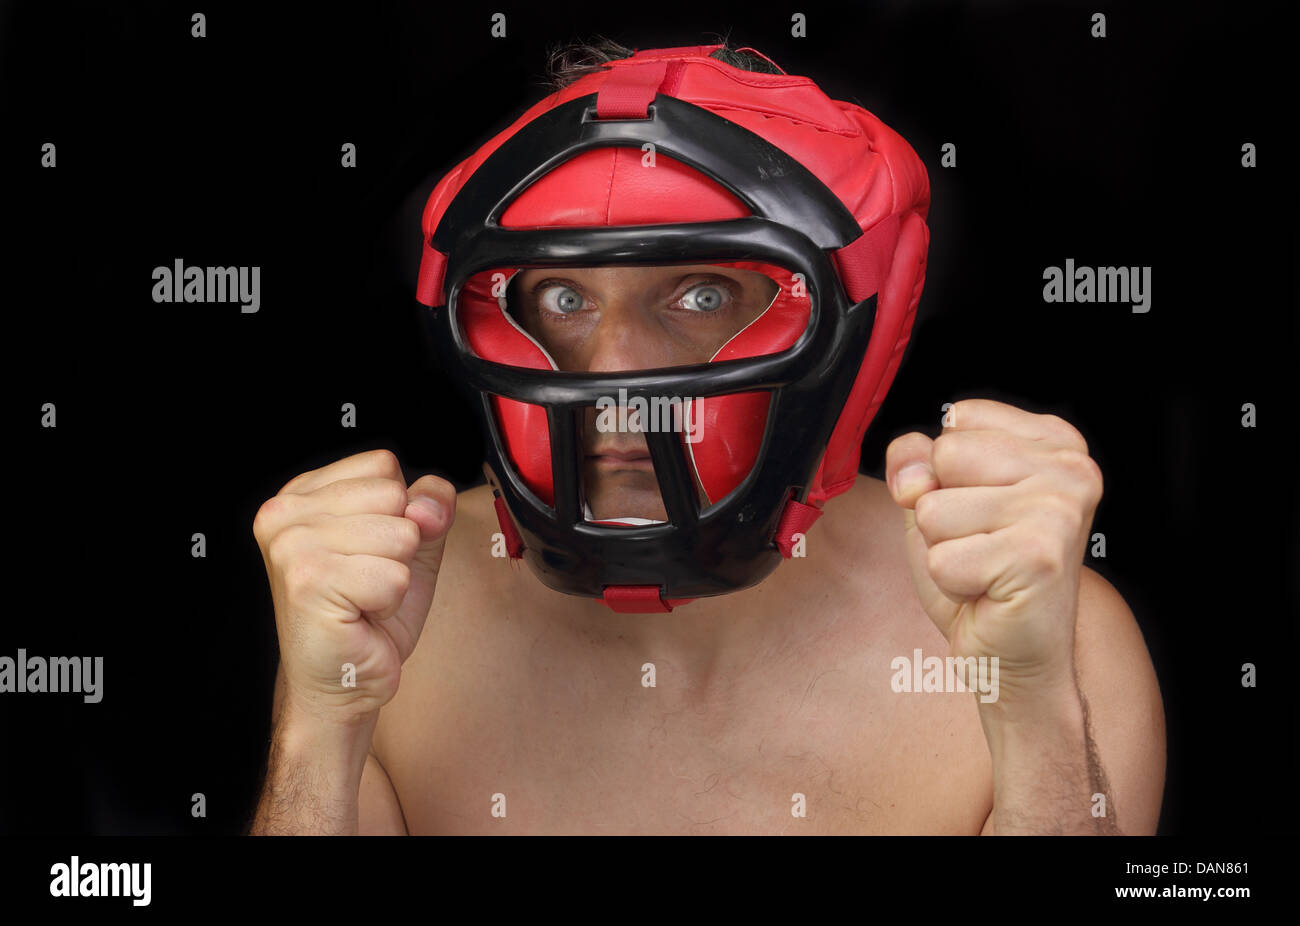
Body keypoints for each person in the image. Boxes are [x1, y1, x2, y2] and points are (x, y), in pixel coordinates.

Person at [248, 40, 1164, 835]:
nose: (615, 383)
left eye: (702, 296)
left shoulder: (1040, 626)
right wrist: (320, 731)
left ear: (851, 338)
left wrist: (1032, 706)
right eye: (565, 299)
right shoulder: (399, 622)